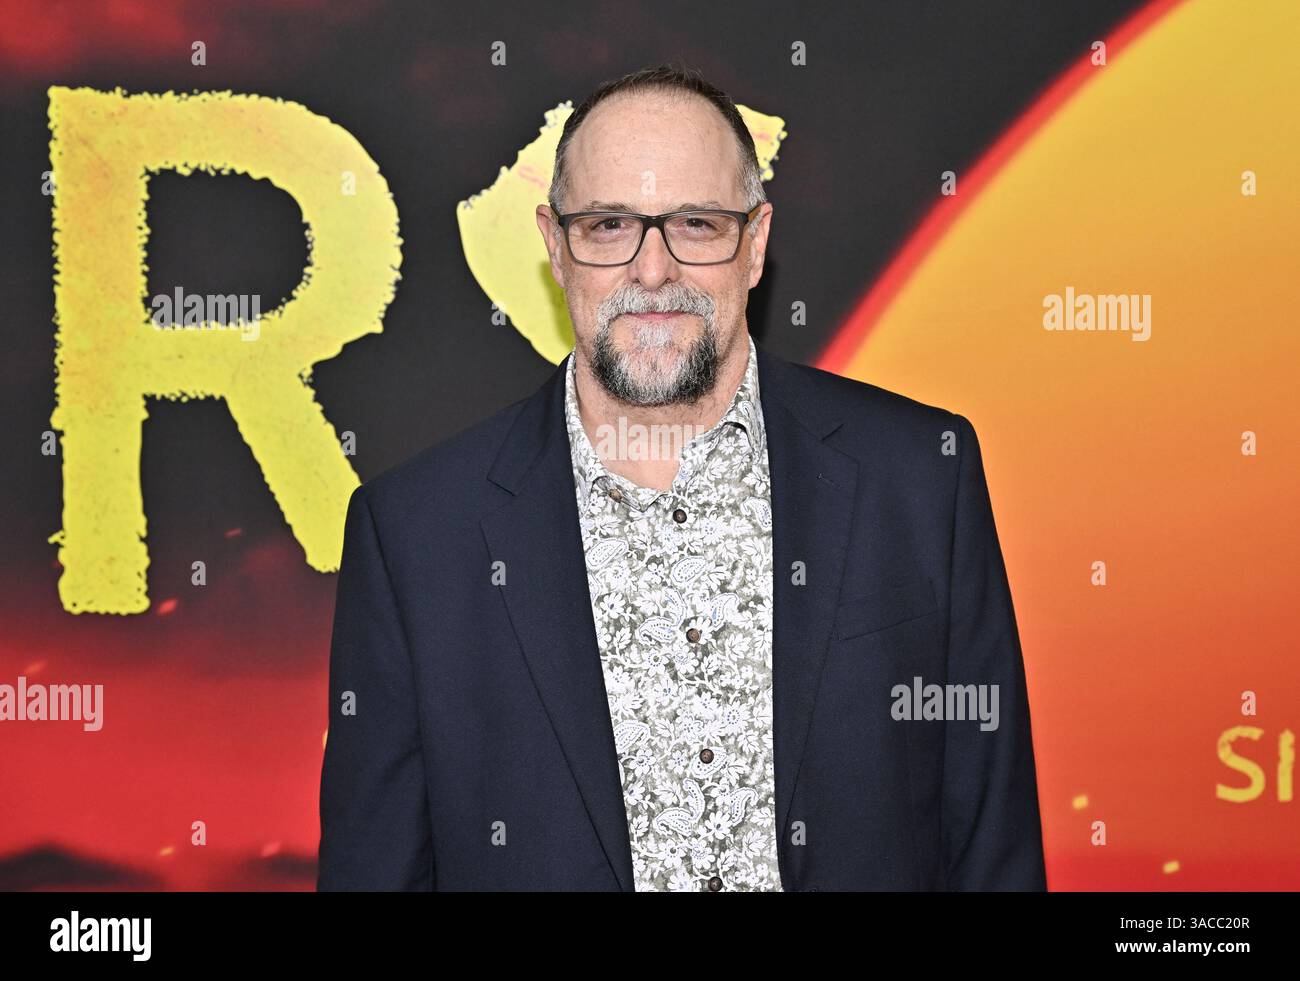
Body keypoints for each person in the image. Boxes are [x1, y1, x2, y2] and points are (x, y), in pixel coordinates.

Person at [317, 63, 1046, 891]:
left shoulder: (919, 481)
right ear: (556, 247)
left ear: (756, 243)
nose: (652, 269)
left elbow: (993, 848)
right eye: (608, 225)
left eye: (696, 223)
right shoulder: (415, 536)